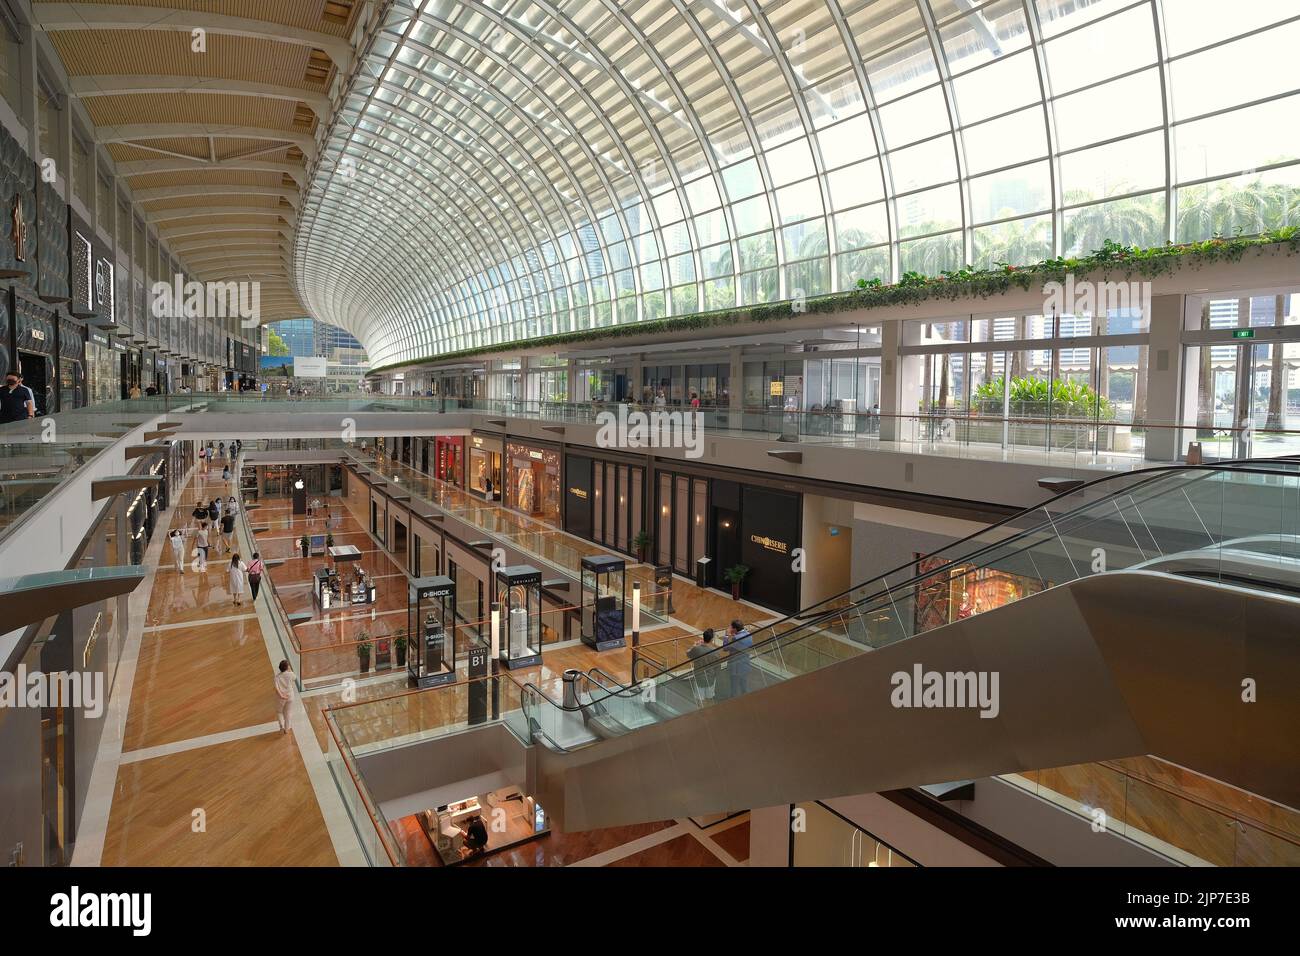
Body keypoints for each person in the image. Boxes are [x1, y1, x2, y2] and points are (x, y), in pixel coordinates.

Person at [722, 619, 753, 699]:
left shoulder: (736, 638)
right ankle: (745, 699)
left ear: (735, 629)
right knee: (744, 685)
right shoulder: (748, 634)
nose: (729, 628)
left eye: (731, 627)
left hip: (736, 666)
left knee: (734, 686)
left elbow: (725, 648)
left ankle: (734, 700)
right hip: (745, 663)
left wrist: (726, 636)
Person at [686, 628, 719, 701]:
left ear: (703, 637)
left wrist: (694, 646)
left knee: (699, 699)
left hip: (699, 676)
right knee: (710, 697)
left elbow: (688, 653)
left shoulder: (697, 649)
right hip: (711, 677)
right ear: (712, 639)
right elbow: (717, 667)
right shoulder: (715, 652)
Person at [274, 660, 295, 735]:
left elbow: (276, 688)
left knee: (279, 712)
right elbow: (294, 678)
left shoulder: (277, 677)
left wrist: (281, 695)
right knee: (288, 713)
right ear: (287, 667)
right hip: (290, 697)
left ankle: (281, 726)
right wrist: (290, 670)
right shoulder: (290, 674)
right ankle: (286, 729)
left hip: (280, 698)